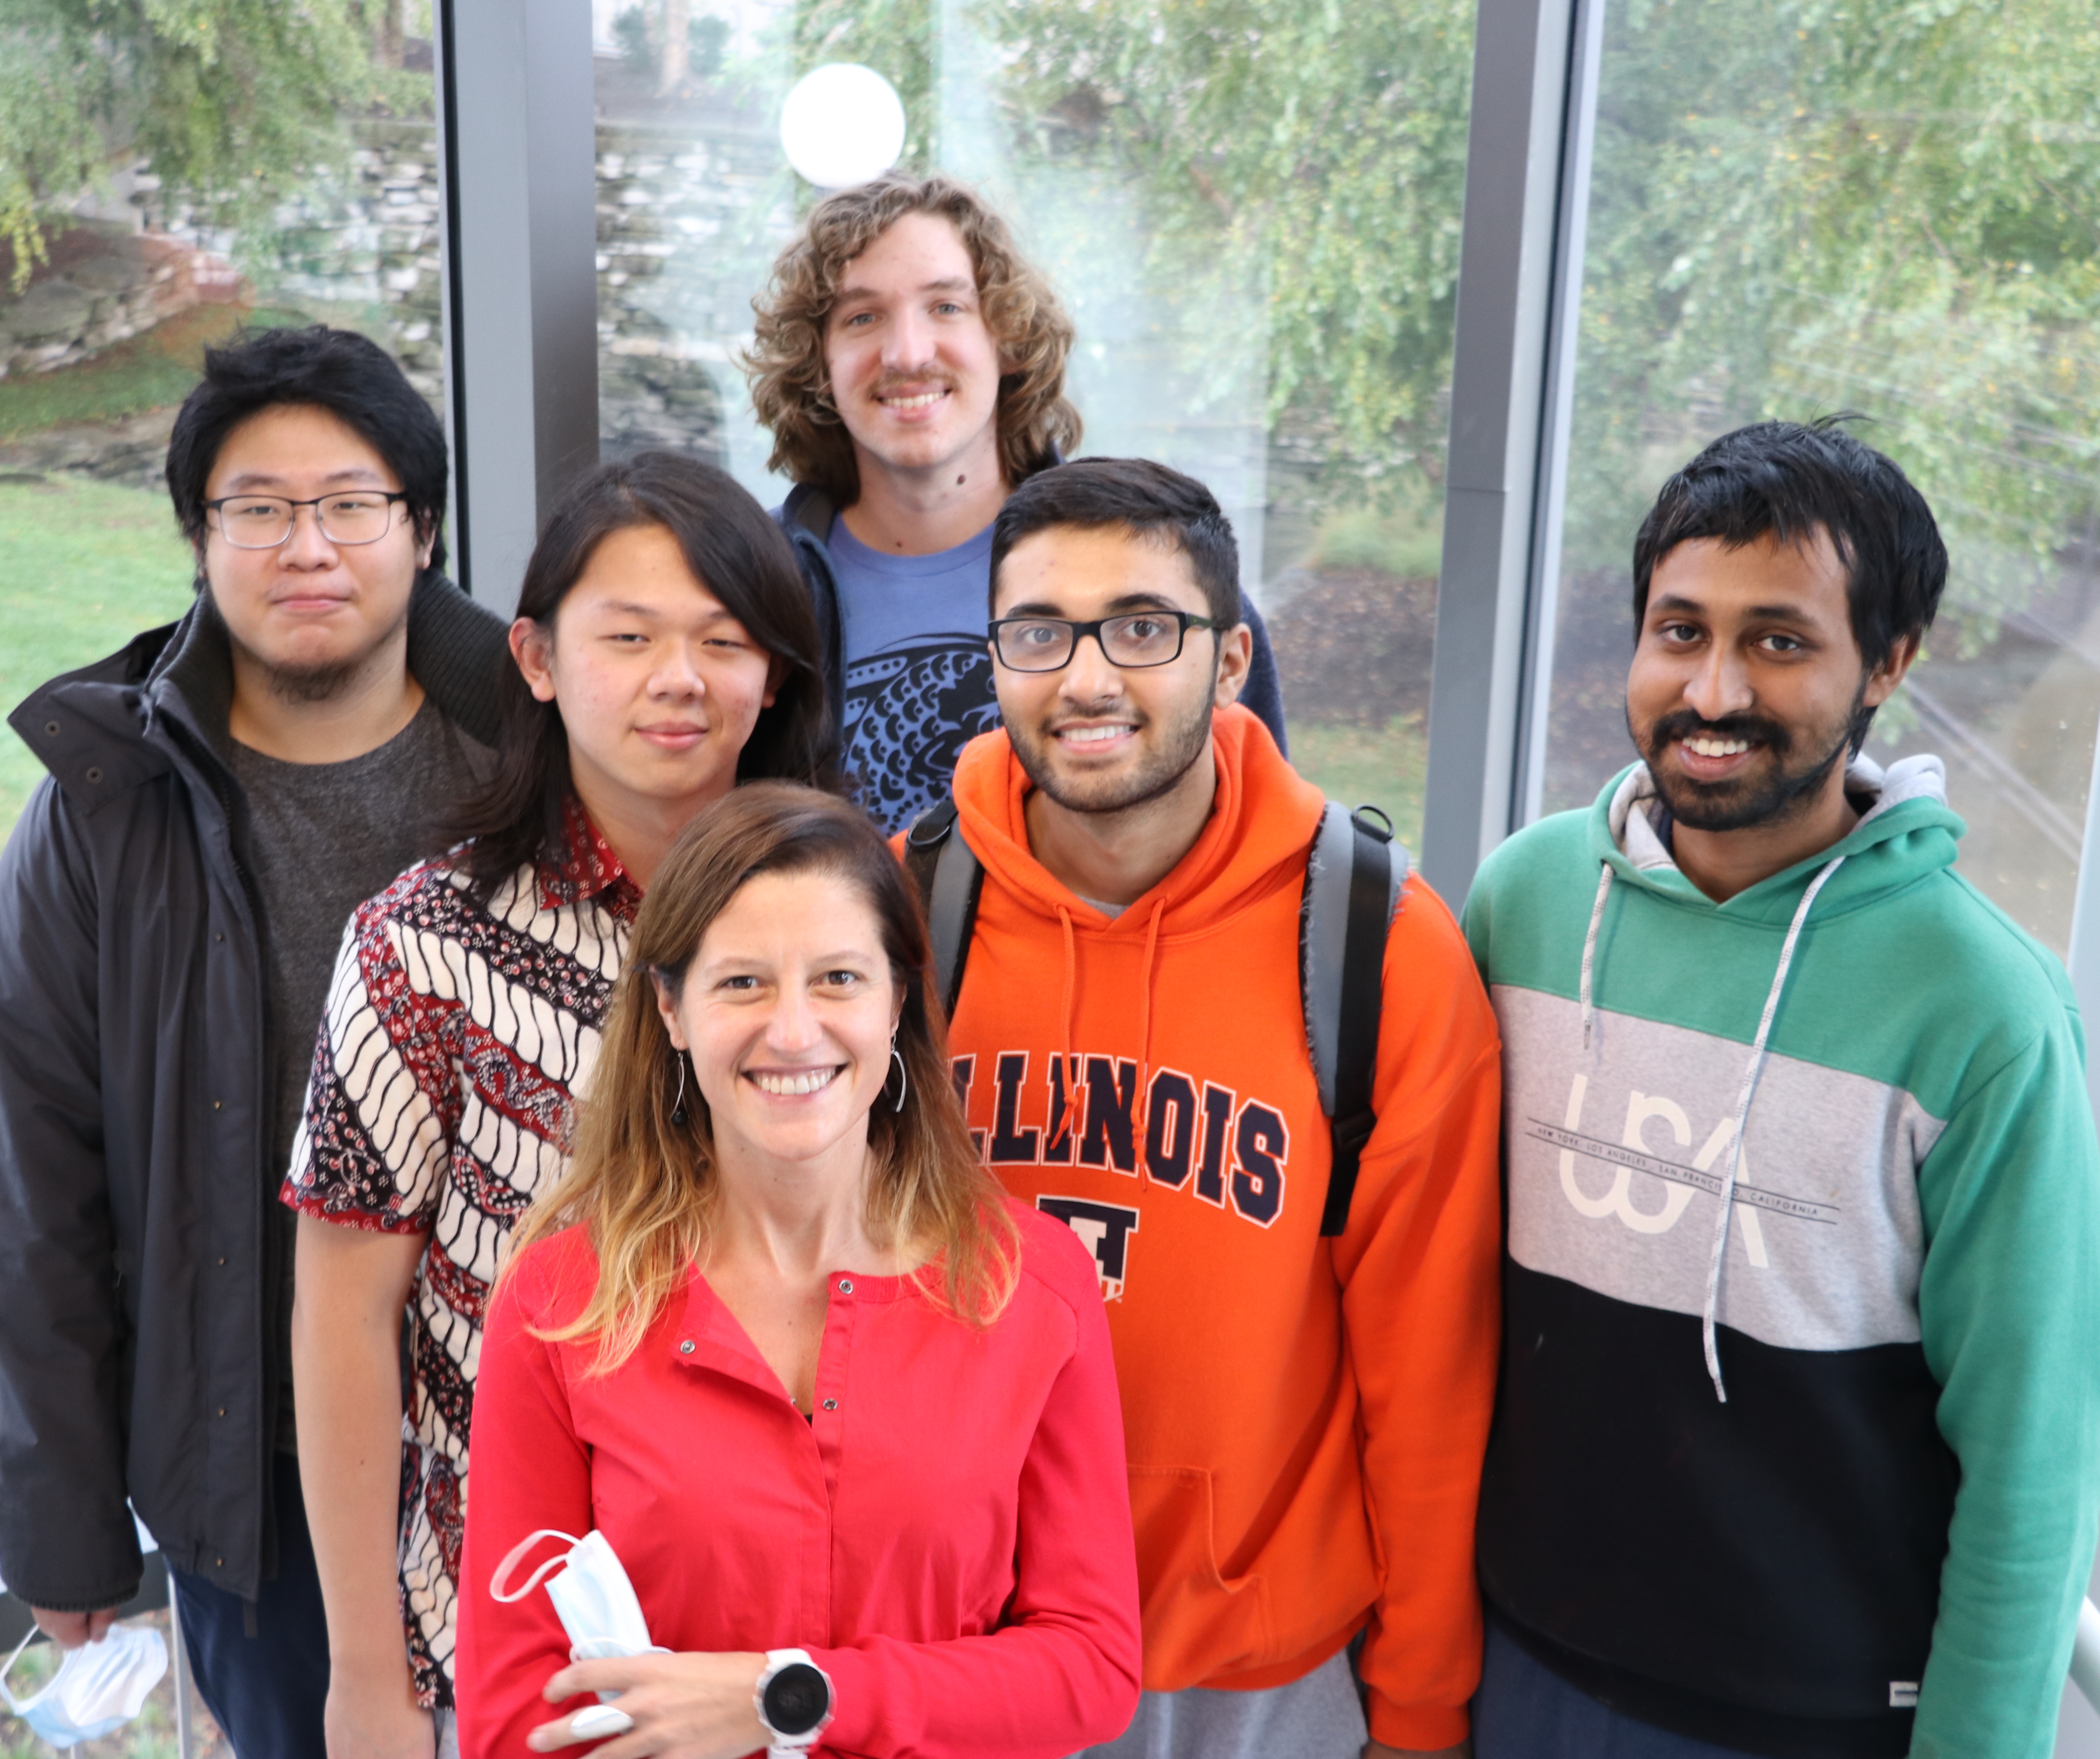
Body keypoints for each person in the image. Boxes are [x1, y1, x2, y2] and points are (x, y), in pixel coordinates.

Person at [1461, 419, 2100, 1759]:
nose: (1710, 693)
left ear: (1888, 662)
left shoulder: (1984, 1007)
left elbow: (2032, 1452)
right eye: (1680, 629)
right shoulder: (1524, 901)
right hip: (1519, 1663)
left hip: (1816, 1719)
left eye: (1780, 640)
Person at [0, 324, 511, 1756]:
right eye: (257, 509)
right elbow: (41, 1197)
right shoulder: (105, 811)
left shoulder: (540, 757)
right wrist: (68, 1528)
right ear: (201, 539)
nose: (305, 545)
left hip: (549, 1437)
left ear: (422, 527)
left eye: (349, 504)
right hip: (258, 1468)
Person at [915, 457, 1501, 1757]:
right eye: (1038, 632)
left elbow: (1429, 1384)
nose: (1085, 678)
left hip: (1256, 1676)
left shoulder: (1374, 945)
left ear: (1232, 658)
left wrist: (1416, 1711)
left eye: (1142, 627)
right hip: (961, 1647)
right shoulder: (910, 914)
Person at [282, 453, 838, 1759]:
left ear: (775, 673)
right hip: (527, 1627)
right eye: (629, 636)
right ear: (536, 658)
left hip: (799, 1624)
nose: (680, 679)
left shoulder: (858, 921)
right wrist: (369, 1673)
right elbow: (345, 1319)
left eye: (723, 638)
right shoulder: (420, 947)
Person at [454, 782, 1144, 1759]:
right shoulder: (561, 1305)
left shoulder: (1034, 1282)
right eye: (742, 982)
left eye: (837, 979)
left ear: (898, 1002)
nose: (792, 1031)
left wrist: (794, 1694)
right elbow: (514, 1715)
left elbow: (1091, 1668)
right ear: (671, 1007)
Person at [742, 172, 1288, 833]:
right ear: (818, 363)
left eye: (946, 307)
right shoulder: (753, 590)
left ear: (1006, 338)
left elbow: (1257, 844)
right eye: (862, 317)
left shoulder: (1164, 576)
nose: (908, 352)